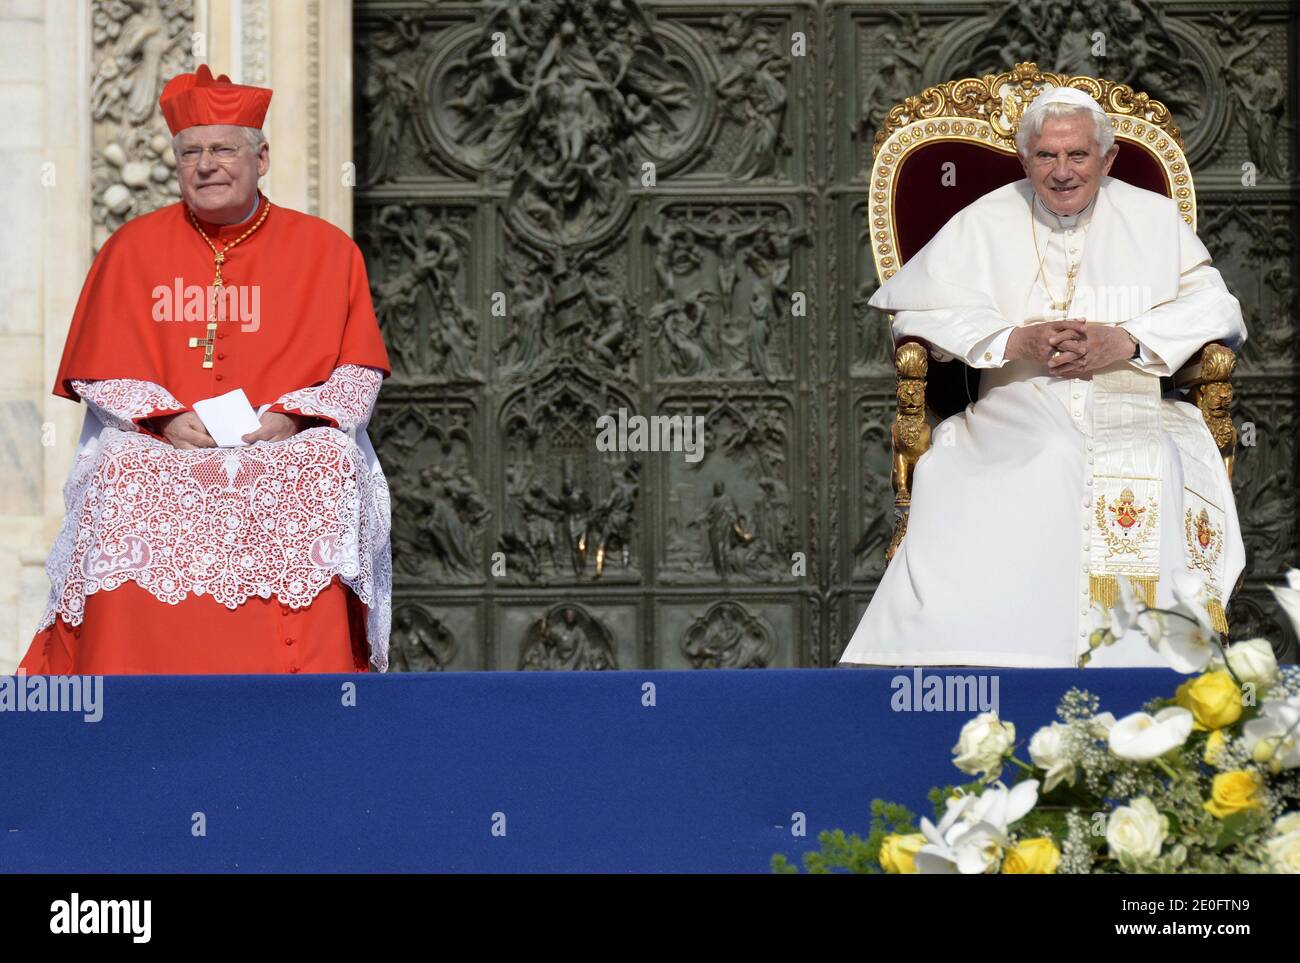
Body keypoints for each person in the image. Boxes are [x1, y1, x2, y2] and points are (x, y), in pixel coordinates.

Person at [840, 87, 1246, 668]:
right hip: (1019, 397)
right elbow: (918, 312)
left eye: (1077, 156)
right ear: (1024, 159)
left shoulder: (1152, 218)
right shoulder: (983, 218)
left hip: (1128, 394)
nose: (1061, 173)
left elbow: (1217, 309)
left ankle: (1143, 664)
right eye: (1045, 157)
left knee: (1156, 460)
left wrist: (1127, 340)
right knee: (1046, 457)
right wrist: (1013, 339)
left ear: (1106, 161)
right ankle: (1004, 659)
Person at [21, 65, 394, 674]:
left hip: (282, 442)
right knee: (118, 468)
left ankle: (304, 688)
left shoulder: (328, 250)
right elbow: (100, 370)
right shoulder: (131, 248)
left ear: (261, 157)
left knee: (328, 462)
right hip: (168, 443)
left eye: (223, 148)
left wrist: (293, 419)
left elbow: (358, 372)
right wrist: (165, 419)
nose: (206, 164)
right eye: (190, 151)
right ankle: (126, 682)